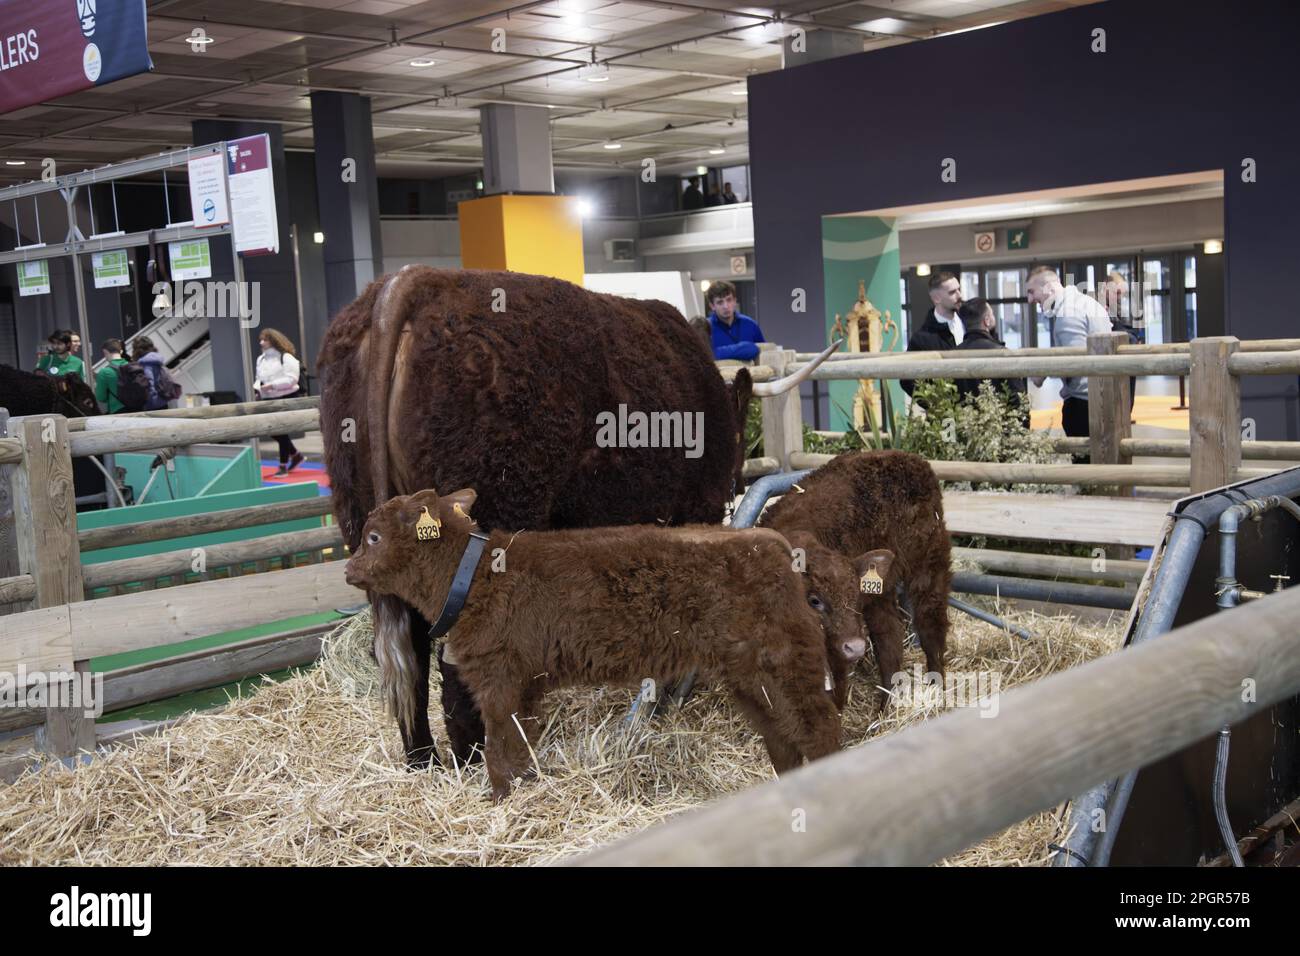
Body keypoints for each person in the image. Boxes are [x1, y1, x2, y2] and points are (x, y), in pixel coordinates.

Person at [1026, 265, 1114, 449]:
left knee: (1085, 470)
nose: (1030, 299)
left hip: (1084, 406)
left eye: (1032, 291)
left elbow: (1073, 362)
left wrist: (1039, 373)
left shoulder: (1068, 312)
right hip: (1100, 398)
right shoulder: (1084, 302)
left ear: (1049, 287)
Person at [954, 298, 1027, 419]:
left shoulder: (952, 355)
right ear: (986, 321)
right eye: (992, 314)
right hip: (997, 429)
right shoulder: (1002, 354)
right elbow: (1017, 399)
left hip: (964, 429)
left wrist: (949, 438)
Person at [902, 271, 964, 396]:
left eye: (959, 289)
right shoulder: (921, 339)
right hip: (946, 412)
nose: (959, 295)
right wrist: (936, 405)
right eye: (952, 292)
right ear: (936, 298)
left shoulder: (971, 321)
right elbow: (906, 380)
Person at [254, 328, 305, 475]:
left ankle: (283, 465)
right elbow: (259, 378)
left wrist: (272, 386)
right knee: (273, 431)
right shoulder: (260, 359)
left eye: (265, 339)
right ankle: (295, 455)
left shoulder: (286, 357)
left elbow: (292, 379)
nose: (262, 342)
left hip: (286, 398)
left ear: (274, 340)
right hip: (268, 399)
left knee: (281, 432)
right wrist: (259, 388)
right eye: (261, 339)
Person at [705, 280, 765, 361]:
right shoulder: (705, 328)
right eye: (720, 302)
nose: (726, 306)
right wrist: (745, 348)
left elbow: (761, 352)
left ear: (735, 301)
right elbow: (705, 356)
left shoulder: (751, 325)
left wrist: (718, 352)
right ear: (712, 306)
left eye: (729, 300)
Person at [94, 338, 132, 413]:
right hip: (137, 409)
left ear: (105, 352)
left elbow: (101, 397)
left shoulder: (104, 372)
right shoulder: (133, 367)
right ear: (120, 351)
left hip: (117, 411)